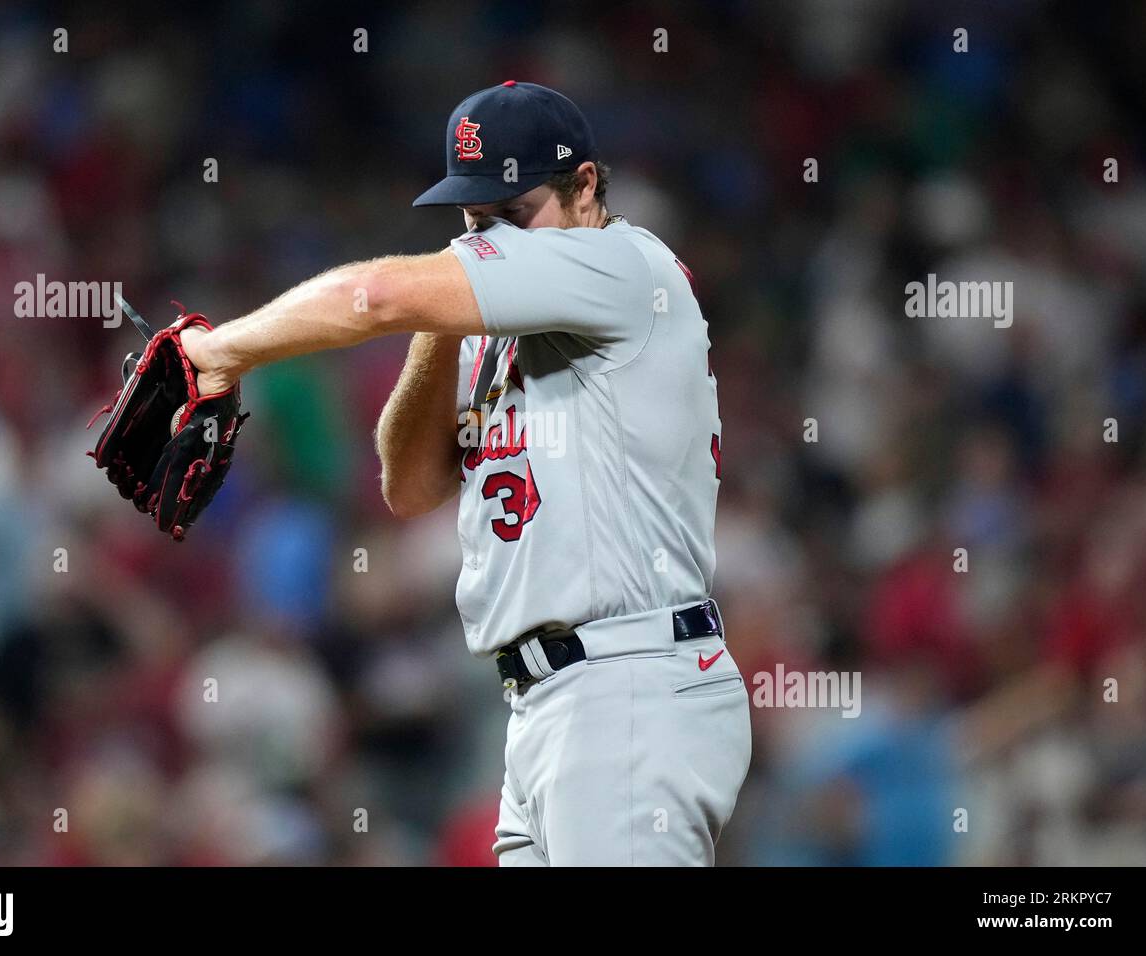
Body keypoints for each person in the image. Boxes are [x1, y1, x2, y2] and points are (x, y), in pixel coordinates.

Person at [181, 81, 752, 865]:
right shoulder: (497, 326)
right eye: (475, 220)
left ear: (585, 187)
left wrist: (217, 353)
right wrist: (441, 318)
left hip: (630, 684)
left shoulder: (619, 264)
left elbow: (375, 295)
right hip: (542, 706)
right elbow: (409, 485)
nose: (490, 242)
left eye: (513, 215)